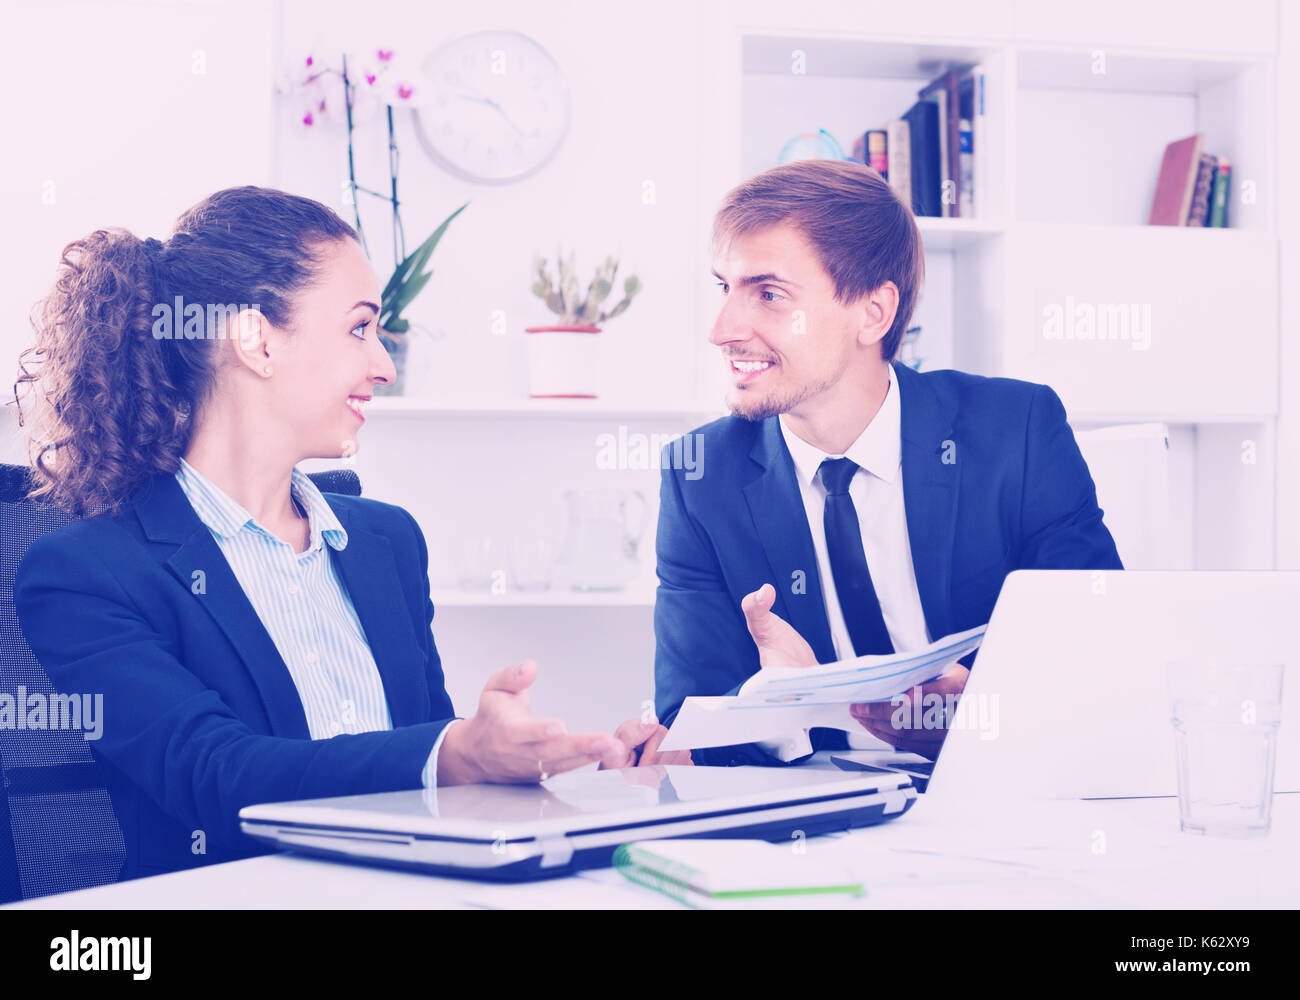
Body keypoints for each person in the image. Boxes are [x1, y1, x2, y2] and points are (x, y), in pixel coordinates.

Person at [12, 186, 689, 881]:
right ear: (257, 340)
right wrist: (452, 754)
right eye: (360, 328)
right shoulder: (86, 573)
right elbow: (215, 776)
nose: (384, 366)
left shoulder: (386, 542)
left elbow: (437, 785)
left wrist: (586, 766)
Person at [654, 159, 1123, 766]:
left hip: (1002, 791)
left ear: (872, 313)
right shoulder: (697, 475)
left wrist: (977, 719)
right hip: (815, 813)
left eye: (768, 294)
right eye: (725, 288)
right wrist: (780, 705)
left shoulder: (1017, 429)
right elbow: (689, 717)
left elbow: (1104, 656)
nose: (722, 329)